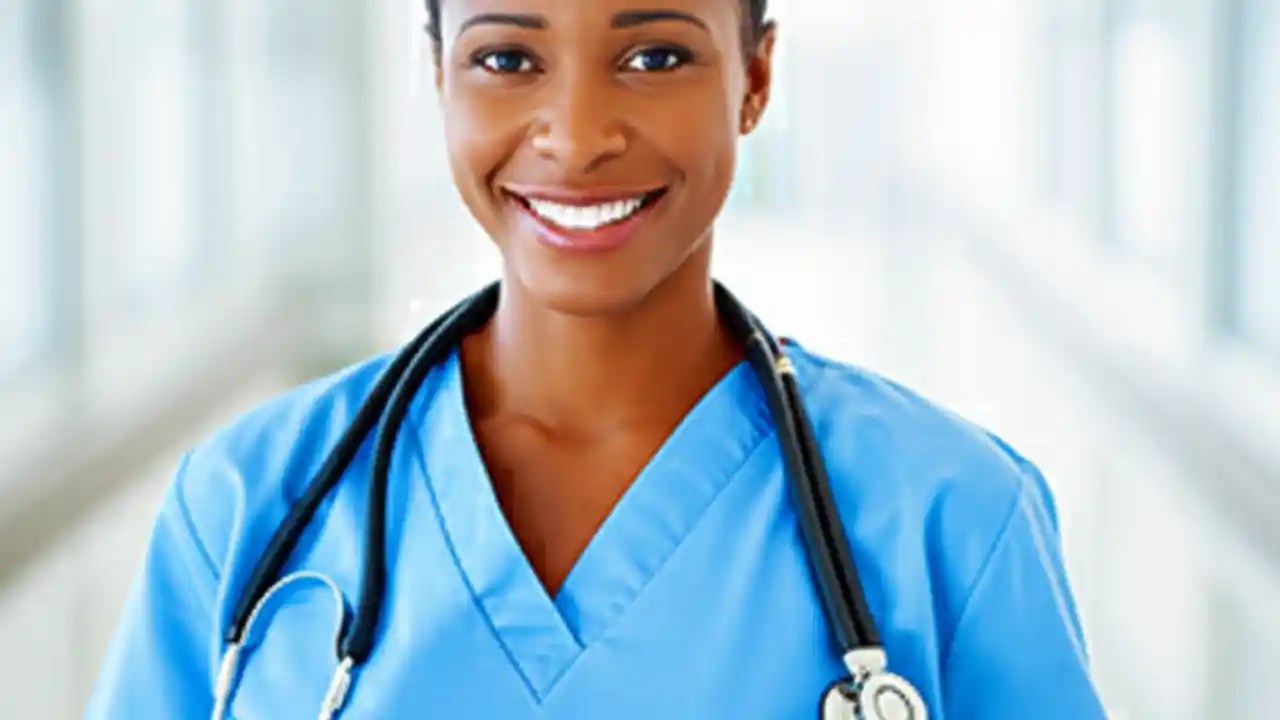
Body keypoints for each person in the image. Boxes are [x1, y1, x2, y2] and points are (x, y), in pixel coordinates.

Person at [87, 0, 1107, 717]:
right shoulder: (250, 500)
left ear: (753, 77)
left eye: (654, 55)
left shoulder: (951, 512)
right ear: (436, 71)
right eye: (507, 58)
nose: (575, 138)